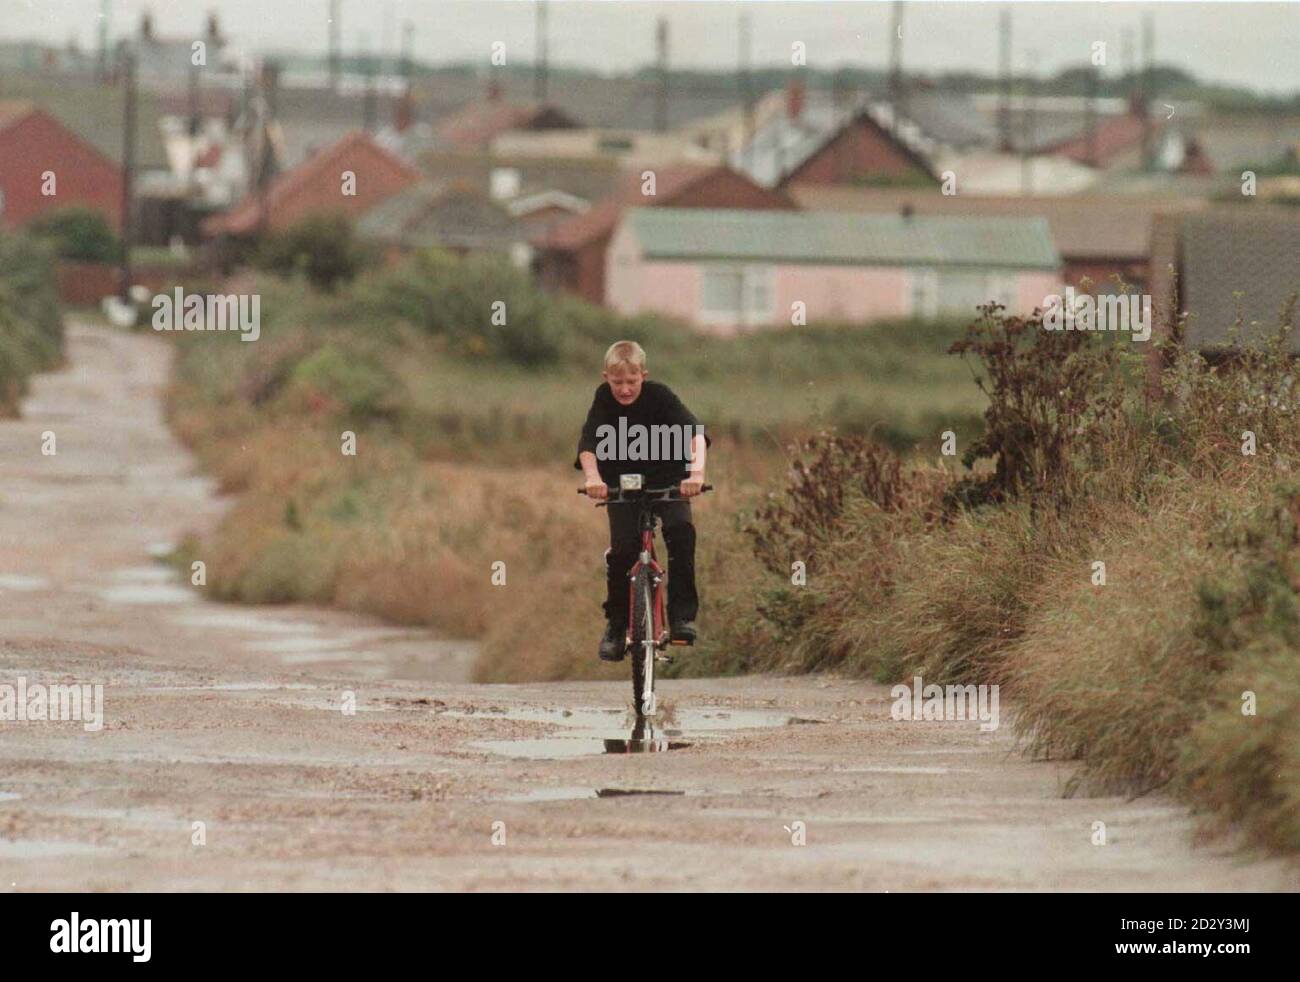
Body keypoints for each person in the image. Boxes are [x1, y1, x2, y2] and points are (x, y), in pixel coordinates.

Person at [575, 340, 709, 661]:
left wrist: (696, 474)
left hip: (669, 479)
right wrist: (593, 478)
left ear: (643, 376)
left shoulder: (661, 397)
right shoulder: (602, 400)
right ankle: (617, 625)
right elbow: (589, 443)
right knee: (623, 552)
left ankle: (681, 617)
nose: (624, 389)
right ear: (606, 377)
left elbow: (696, 435)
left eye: (631, 382)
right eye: (617, 382)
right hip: (622, 484)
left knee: (681, 531)